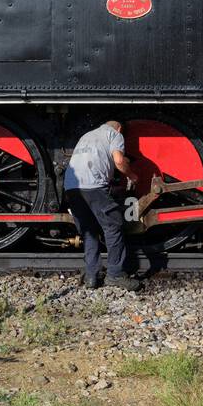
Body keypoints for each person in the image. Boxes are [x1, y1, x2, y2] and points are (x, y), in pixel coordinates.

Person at [63, 120, 143, 292]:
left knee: (89, 230)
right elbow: (119, 161)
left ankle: (92, 276)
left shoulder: (87, 135)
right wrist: (133, 176)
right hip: (92, 186)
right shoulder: (114, 134)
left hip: (71, 187)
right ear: (119, 128)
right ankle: (115, 275)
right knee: (114, 225)